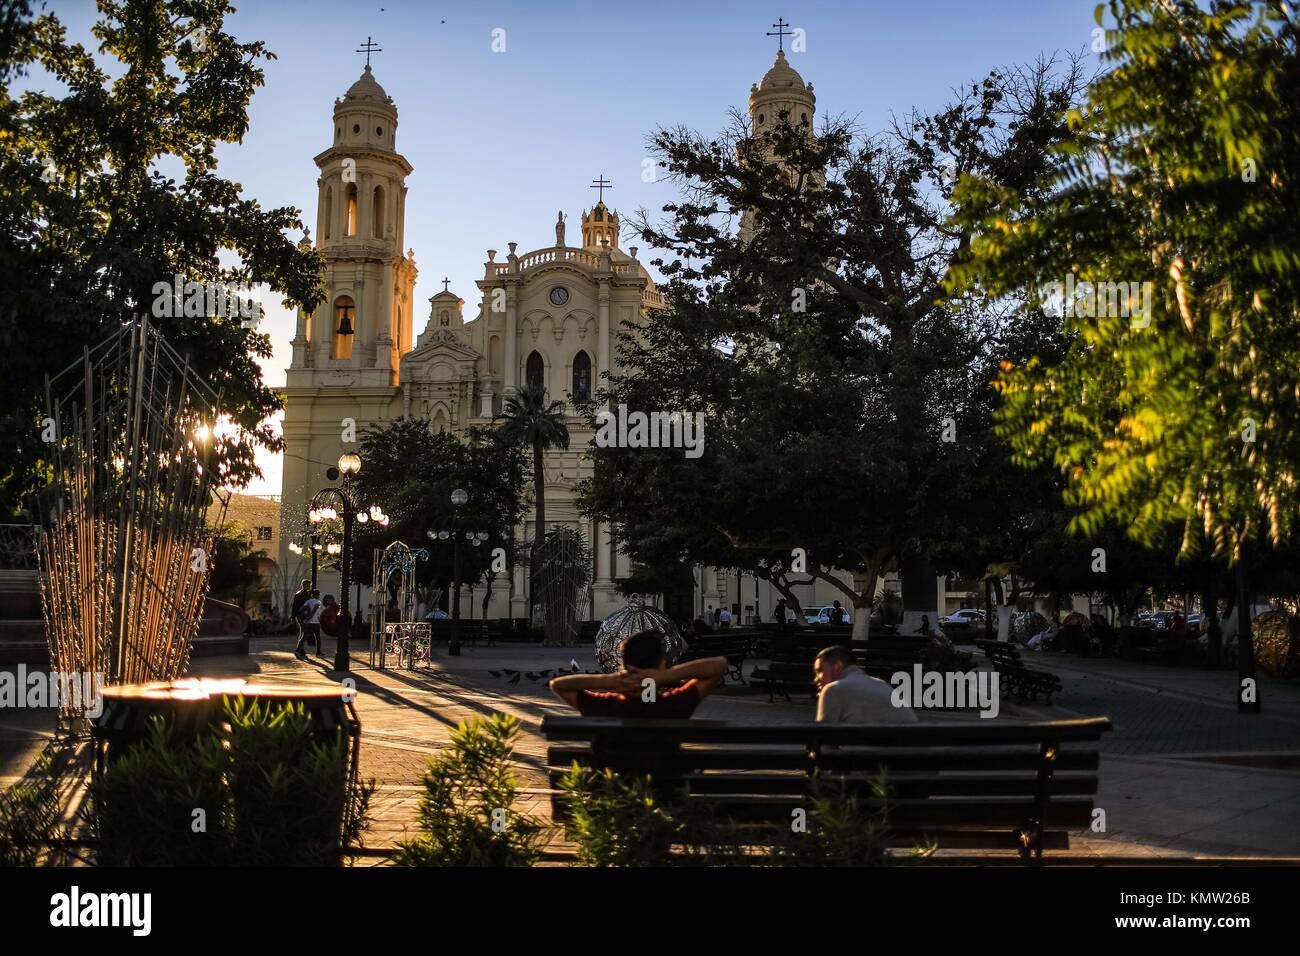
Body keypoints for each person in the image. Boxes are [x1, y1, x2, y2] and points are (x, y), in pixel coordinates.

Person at [549, 629, 728, 718]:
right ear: (662, 664)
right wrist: (665, 676)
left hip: (614, 790)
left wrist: (608, 680)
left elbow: (559, 685)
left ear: (625, 666)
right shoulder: (674, 705)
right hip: (664, 790)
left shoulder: (605, 707)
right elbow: (719, 665)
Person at [814, 645, 917, 723]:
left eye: (820, 671)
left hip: (866, 752)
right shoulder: (881, 685)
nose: (816, 679)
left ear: (837, 667)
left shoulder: (833, 690)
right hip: (912, 751)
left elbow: (823, 744)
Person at [296, 589, 323, 660]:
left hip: (306, 622)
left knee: (304, 637)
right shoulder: (318, 602)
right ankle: (318, 652)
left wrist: (305, 618)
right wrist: (310, 617)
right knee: (318, 638)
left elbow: (301, 610)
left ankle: (297, 650)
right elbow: (315, 610)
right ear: (317, 595)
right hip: (315, 622)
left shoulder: (308, 601)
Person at [291, 579, 311, 653]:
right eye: (308, 585)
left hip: (299, 615)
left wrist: (293, 616)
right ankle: (299, 649)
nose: (309, 586)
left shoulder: (299, 593)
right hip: (303, 615)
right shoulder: (305, 594)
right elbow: (295, 606)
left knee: (302, 631)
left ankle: (301, 649)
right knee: (305, 632)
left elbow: (294, 606)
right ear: (304, 585)